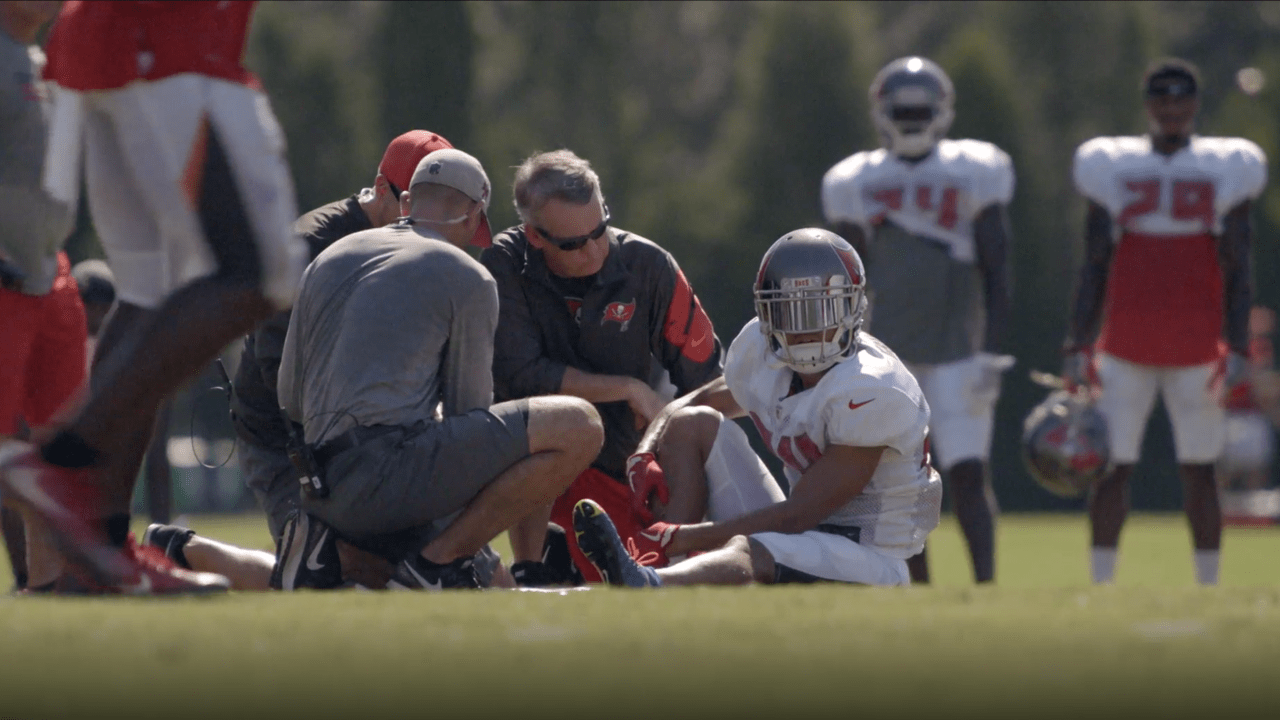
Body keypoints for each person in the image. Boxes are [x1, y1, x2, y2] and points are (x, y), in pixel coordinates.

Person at [0, 0, 308, 594]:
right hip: (171, 44)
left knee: (149, 289)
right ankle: (63, 460)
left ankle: (99, 554)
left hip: (103, 47)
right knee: (259, 274)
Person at [272, 148, 603, 590]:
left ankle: (339, 553)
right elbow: (470, 410)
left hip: (316, 487)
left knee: (494, 583)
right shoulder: (467, 274)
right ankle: (433, 567)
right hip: (390, 476)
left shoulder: (329, 257)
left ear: (407, 203)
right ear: (474, 217)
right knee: (579, 424)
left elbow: (288, 397)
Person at [143, 130, 458, 591]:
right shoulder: (312, 245)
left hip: (368, 436)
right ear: (383, 187)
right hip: (285, 440)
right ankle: (184, 552)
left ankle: (179, 550)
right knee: (325, 579)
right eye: (419, 203)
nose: (429, 221)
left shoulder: (420, 248)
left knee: (386, 575)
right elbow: (278, 370)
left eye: (444, 209)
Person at [570, 228, 942, 589]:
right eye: (790, 313)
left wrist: (681, 536)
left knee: (754, 548)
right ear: (768, 315)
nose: (806, 330)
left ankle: (651, 578)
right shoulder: (761, 353)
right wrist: (645, 451)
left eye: (821, 310)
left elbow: (797, 516)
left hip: (872, 558)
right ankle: (662, 566)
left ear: (852, 306)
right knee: (691, 424)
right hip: (802, 532)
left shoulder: (871, 388)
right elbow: (694, 402)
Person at [479, 149, 746, 585]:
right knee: (550, 420)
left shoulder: (649, 266)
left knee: (650, 579)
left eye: (599, 229)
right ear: (535, 237)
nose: (593, 249)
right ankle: (529, 567)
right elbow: (521, 376)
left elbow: (710, 380)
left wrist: (664, 433)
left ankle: (576, 555)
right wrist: (627, 387)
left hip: (626, 470)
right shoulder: (504, 262)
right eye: (573, 244)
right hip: (531, 468)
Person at [1063, 58, 1266, 586]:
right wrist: (1077, 342)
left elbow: (1239, 267)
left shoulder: (1225, 166)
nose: (1172, 108)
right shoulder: (1114, 164)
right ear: (1149, 104)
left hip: (1199, 346)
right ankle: (1100, 585)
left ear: (1194, 104)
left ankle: (1208, 587)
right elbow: (1093, 264)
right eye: (1162, 98)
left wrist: (1239, 345)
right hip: (1125, 345)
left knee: (1199, 471)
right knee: (1112, 469)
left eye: (1181, 98)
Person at [821, 56, 1014, 584]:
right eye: (901, 110)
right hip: (890, 356)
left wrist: (992, 351)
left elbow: (998, 266)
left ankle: (986, 587)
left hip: (957, 352)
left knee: (970, 473)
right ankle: (918, 589)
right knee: (901, 485)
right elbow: (848, 279)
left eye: (918, 110)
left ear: (941, 111)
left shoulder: (973, 168)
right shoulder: (856, 179)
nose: (910, 119)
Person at [0, 0, 84, 593]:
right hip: (5, 275)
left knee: (62, 444)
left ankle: (51, 585)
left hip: (47, 272)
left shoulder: (35, 59)